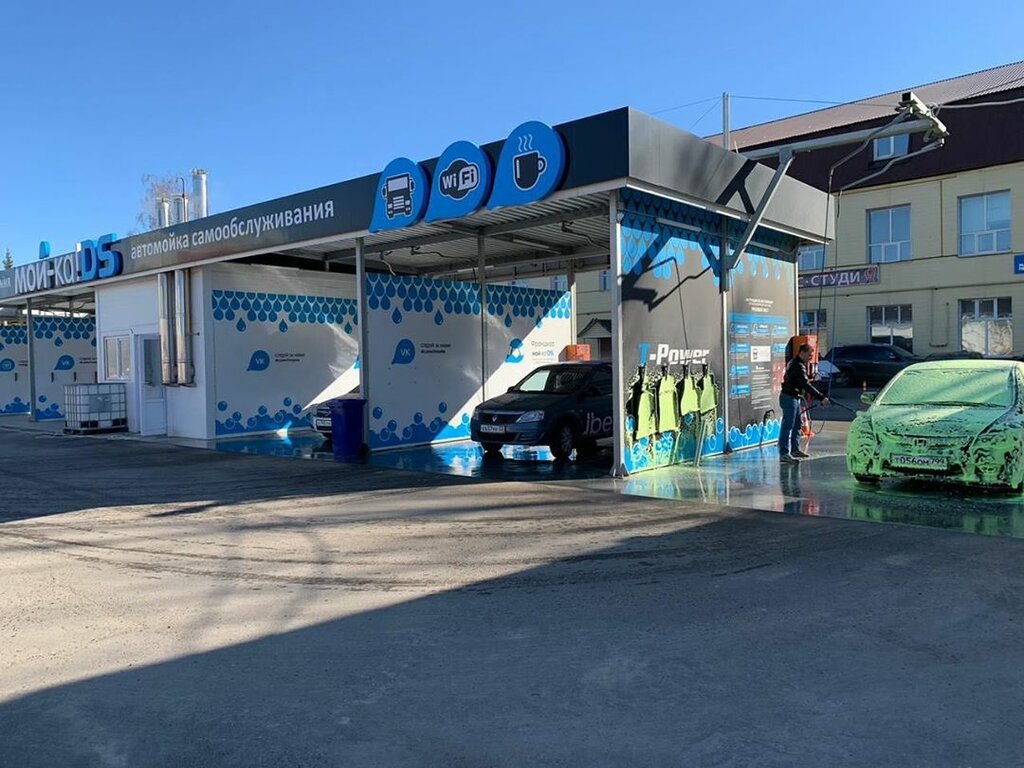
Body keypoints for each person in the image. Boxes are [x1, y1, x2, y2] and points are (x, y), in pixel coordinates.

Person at [778, 343, 829, 463]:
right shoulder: (798, 366)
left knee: (798, 424)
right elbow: (805, 384)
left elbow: (803, 382)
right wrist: (821, 397)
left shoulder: (797, 363)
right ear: (802, 353)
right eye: (810, 355)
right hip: (789, 398)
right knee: (788, 425)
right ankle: (784, 453)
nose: (811, 358)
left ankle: (795, 450)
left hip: (795, 397)